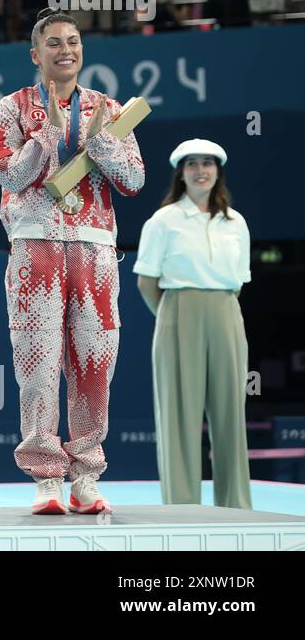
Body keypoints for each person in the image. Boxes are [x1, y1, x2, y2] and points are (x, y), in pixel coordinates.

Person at [0, 10, 145, 515]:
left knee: (96, 364)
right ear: (37, 54)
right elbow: (10, 176)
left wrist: (98, 140)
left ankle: (86, 475)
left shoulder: (110, 110)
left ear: (82, 49)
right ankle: (47, 479)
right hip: (35, 246)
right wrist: (48, 136)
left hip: (95, 248)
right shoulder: (12, 109)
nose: (65, 50)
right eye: (53, 43)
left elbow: (134, 179)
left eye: (72, 41)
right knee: (38, 366)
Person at [134, 139, 252, 509]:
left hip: (226, 312)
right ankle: (183, 506)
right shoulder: (164, 220)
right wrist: (172, 319)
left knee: (231, 412)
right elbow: (146, 282)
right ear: (180, 174)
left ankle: (236, 505)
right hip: (178, 309)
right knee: (179, 414)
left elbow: (239, 279)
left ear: (218, 171)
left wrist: (217, 313)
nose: (201, 170)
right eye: (192, 164)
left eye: (208, 164)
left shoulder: (235, 223)